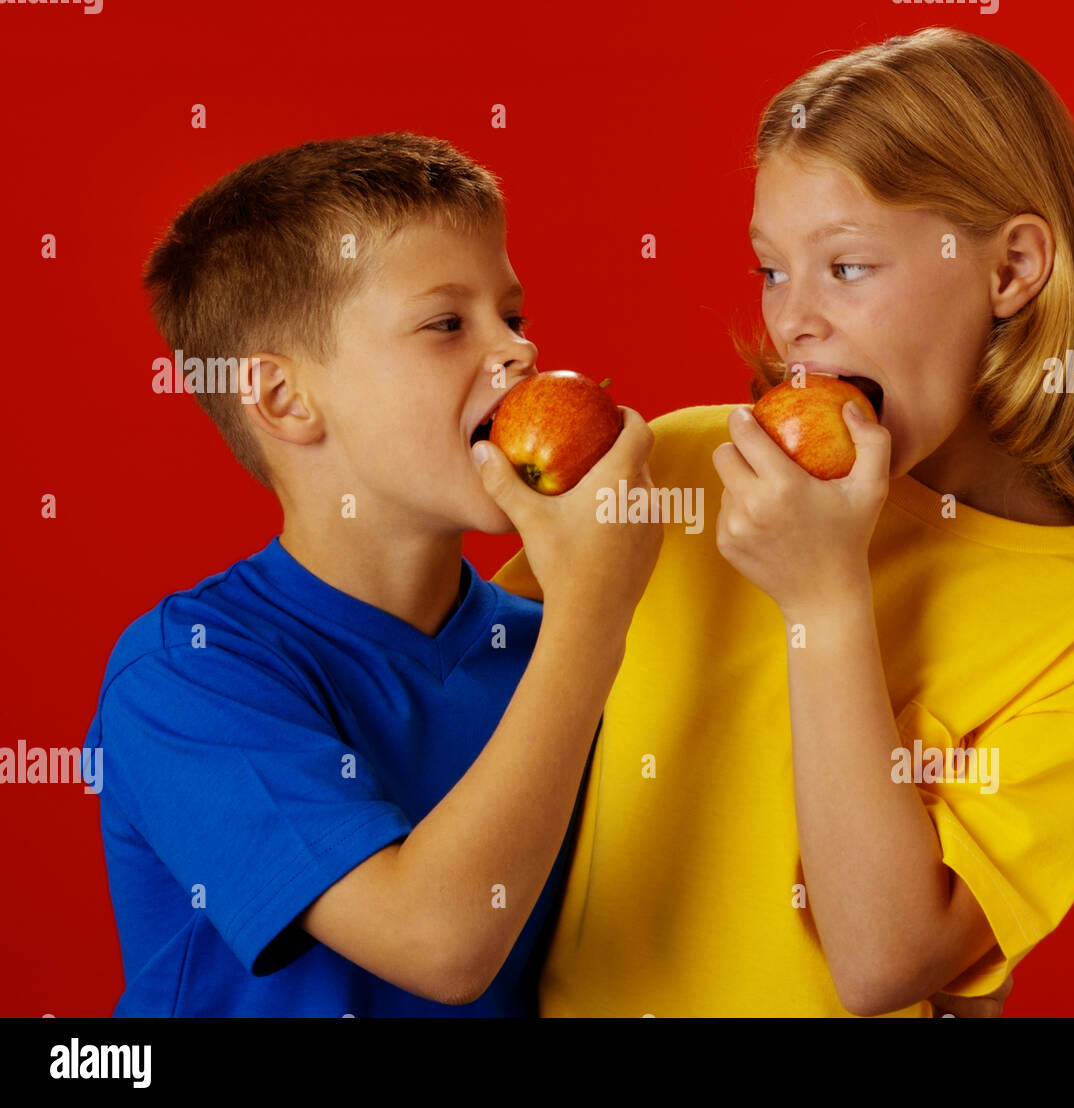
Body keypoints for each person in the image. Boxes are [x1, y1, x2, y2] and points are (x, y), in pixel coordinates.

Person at [490, 27, 1074, 1017]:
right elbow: (441, 701)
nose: (795, 322)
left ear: (1010, 270)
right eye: (771, 269)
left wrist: (823, 595)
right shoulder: (687, 463)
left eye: (848, 267)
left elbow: (881, 964)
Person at [82, 132, 661, 1016]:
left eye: (515, 317)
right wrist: (595, 611)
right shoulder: (187, 672)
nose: (517, 355)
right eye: (446, 323)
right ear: (285, 399)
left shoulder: (547, 645)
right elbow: (440, 945)